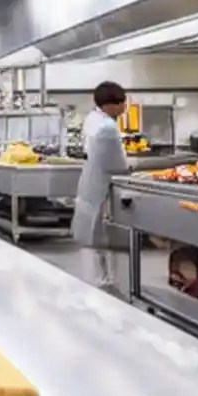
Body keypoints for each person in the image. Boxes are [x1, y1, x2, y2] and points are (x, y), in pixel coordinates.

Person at [72, 81, 130, 288]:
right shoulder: (107, 127)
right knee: (104, 237)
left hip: (91, 183)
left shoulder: (93, 119)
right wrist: (136, 166)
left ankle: (98, 279)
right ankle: (107, 282)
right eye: (123, 102)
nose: (125, 107)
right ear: (111, 104)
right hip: (102, 187)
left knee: (93, 237)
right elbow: (117, 165)